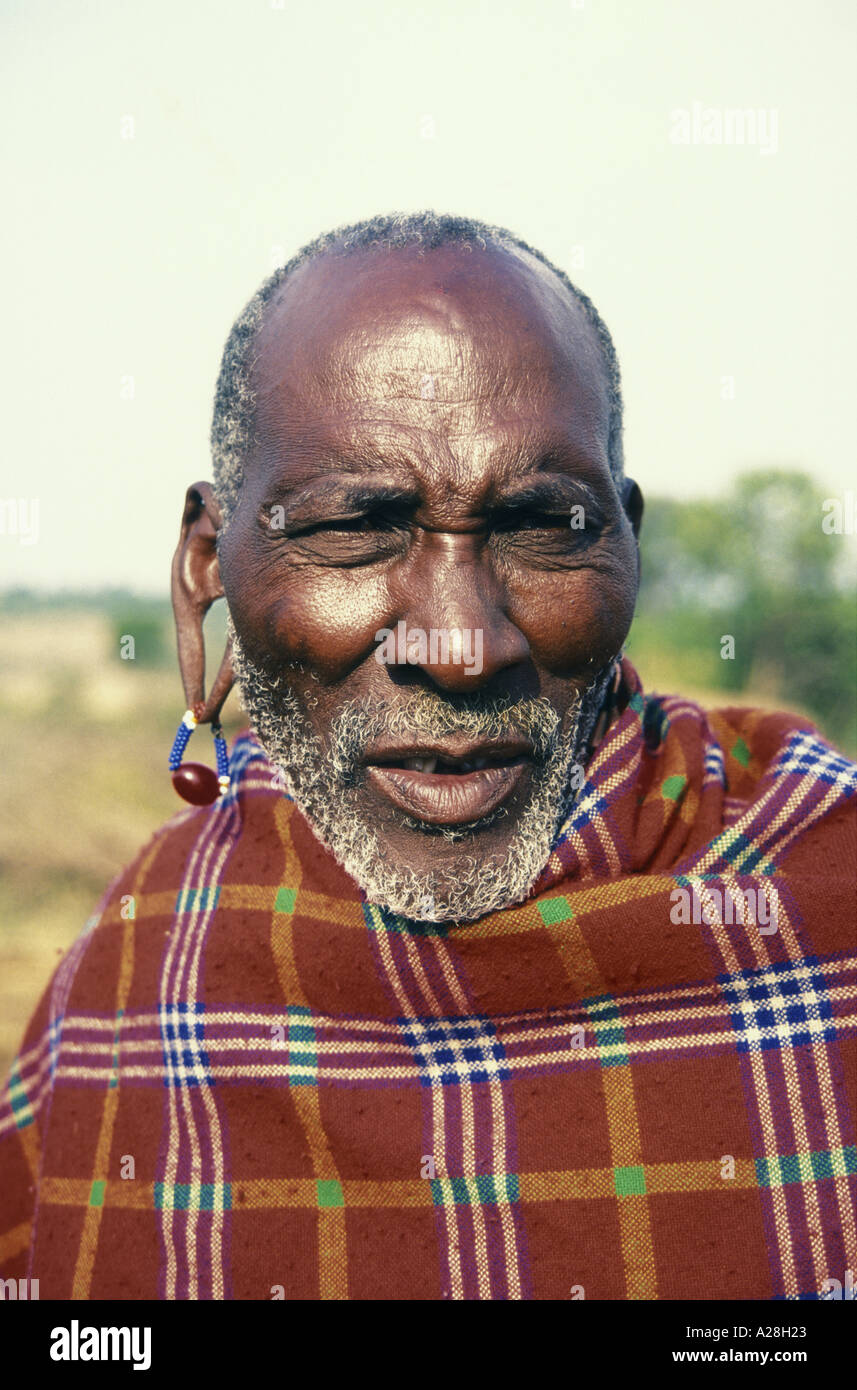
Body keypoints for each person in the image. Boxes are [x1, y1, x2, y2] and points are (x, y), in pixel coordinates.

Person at [1, 213, 854, 1301]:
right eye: (355, 526)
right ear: (209, 562)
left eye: (542, 525)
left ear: (626, 543)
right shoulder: (145, 962)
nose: (459, 645)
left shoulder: (823, 906)